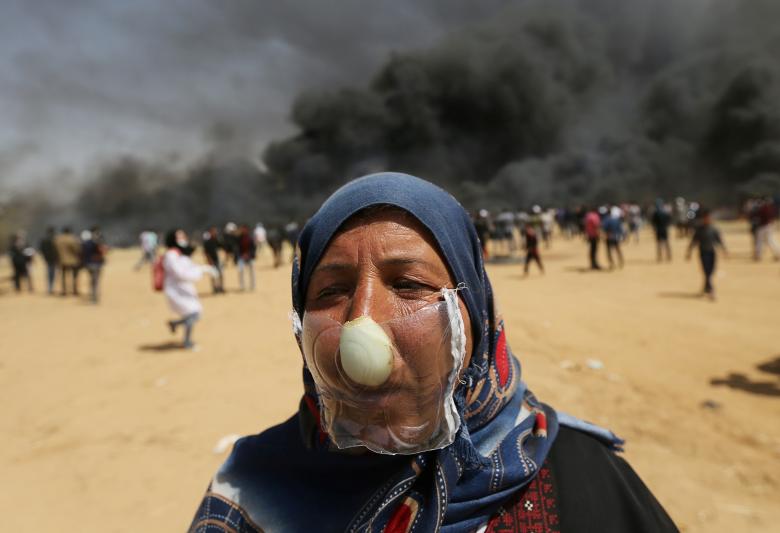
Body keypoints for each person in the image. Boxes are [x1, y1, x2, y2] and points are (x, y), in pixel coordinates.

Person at [189, 173, 677, 532]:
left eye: (409, 285)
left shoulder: (582, 477)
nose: (364, 325)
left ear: (475, 315)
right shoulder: (252, 489)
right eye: (330, 292)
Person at [162, 229, 213, 349]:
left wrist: (204, 269)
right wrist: (201, 271)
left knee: (194, 313)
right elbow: (181, 274)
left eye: (183, 236)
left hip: (184, 289)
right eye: (179, 237)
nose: (183, 239)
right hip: (176, 291)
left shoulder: (180, 254)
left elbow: (190, 267)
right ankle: (187, 342)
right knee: (193, 313)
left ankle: (175, 324)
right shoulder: (171, 255)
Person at [686, 208, 728, 300]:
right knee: (706, 271)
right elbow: (694, 241)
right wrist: (689, 252)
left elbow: (719, 240)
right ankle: (711, 290)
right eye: (705, 218)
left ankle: (705, 287)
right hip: (703, 253)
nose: (707, 219)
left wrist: (724, 250)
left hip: (712, 252)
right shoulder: (699, 229)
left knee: (711, 271)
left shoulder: (713, 229)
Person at [81, 227, 107, 303]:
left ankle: (93, 295)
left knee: (92, 281)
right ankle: (94, 297)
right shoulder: (98, 243)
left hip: (89, 264)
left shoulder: (86, 243)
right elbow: (103, 252)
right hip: (96, 264)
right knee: (95, 281)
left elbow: (83, 253)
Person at [54, 226, 82, 296]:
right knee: (74, 276)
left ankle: (64, 291)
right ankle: (74, 290)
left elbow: (55, 249)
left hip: (61, 260)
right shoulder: (72, 239)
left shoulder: (58, 239)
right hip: (72, 260)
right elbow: (77, 249)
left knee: (63, 276)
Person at [202, 227, 225, 294]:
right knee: (213, 275)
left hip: (217, 260)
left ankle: (221, 287)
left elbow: (222, 246)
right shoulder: (207, 242)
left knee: (220, 274)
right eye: (213, 231)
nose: (215, 233)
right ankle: (215, 288)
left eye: (215, 231)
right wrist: (209, 260)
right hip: (211, 261)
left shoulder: (216, 240)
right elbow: (206, 252)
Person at [39, 227, 59, 294]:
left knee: (49, 273)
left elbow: (41, 249)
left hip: (48, 259)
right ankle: (51, 287)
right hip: (53, 259)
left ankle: (50, 287)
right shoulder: (55, 239)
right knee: (52, 273)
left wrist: (44, 256)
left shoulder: (44, 240)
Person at [237, 223, 257, 291]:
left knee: (252, 272)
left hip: (250, 257)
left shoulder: (250, 238)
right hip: (241, 257)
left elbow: (253, 248)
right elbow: (237, 248)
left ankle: (253, 286)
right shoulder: (239, 238)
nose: (243, 230)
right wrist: (242, 255)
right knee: (241, 271)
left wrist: (248, 254)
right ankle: (242, 286)